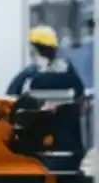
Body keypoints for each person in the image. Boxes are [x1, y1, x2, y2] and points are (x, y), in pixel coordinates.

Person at [6, 25, 87, 170]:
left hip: (36, 156)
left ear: (33, 50)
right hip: (70, 153)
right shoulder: (69, 73)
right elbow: (80, 96)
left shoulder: (30, 77)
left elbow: (11, 97)